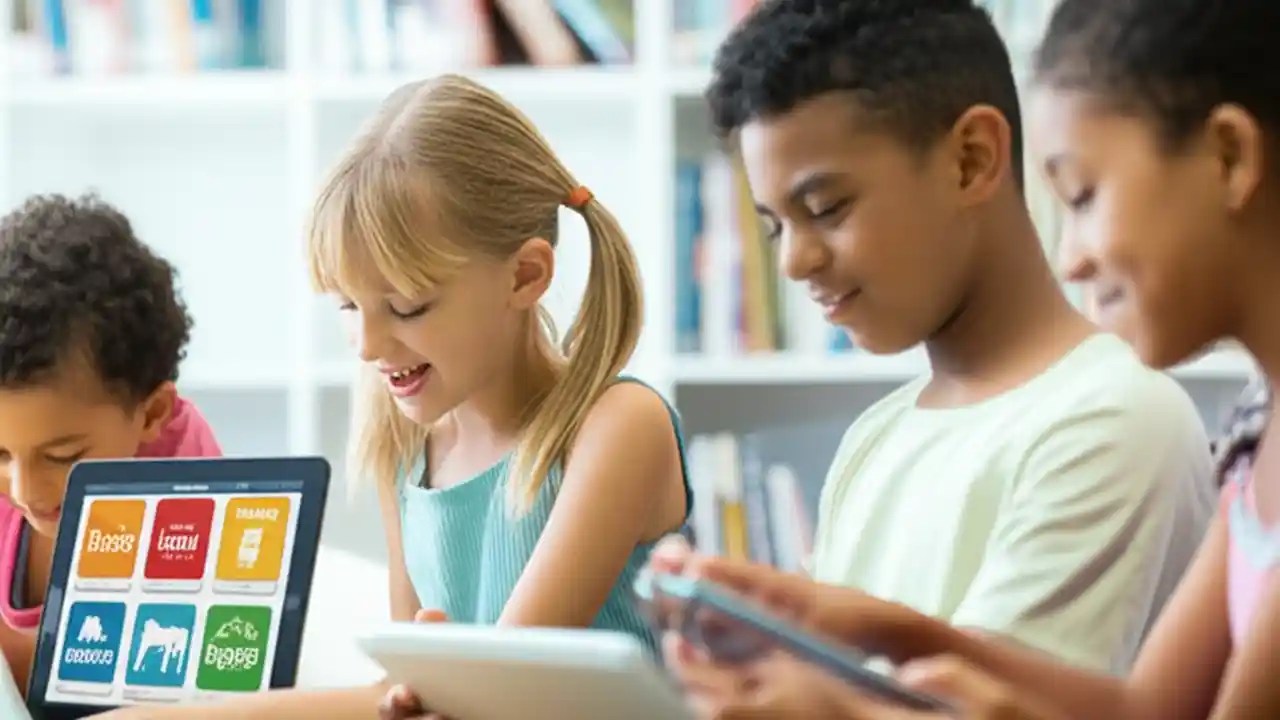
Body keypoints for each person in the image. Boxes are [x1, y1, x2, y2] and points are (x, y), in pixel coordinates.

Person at [659, 0, 1280, 717]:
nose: (1072, 257)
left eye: (1080, 196)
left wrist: (845, 705)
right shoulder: (1254, 440)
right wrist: (870, 625)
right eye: (772, 227)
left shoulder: (1120, 416)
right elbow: (1143, 710)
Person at [97, 73, 691, 720]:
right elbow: (405, 698)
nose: (366, 344)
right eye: (348, 304)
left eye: (407, 307)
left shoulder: (619, 427)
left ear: (525, 276)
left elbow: (491, 694)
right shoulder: (406, 435)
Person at [0, 194, 223, 695]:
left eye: (63, 456)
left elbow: (176, 673)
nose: (25, 489)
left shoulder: (186, 480)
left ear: (151, 414)